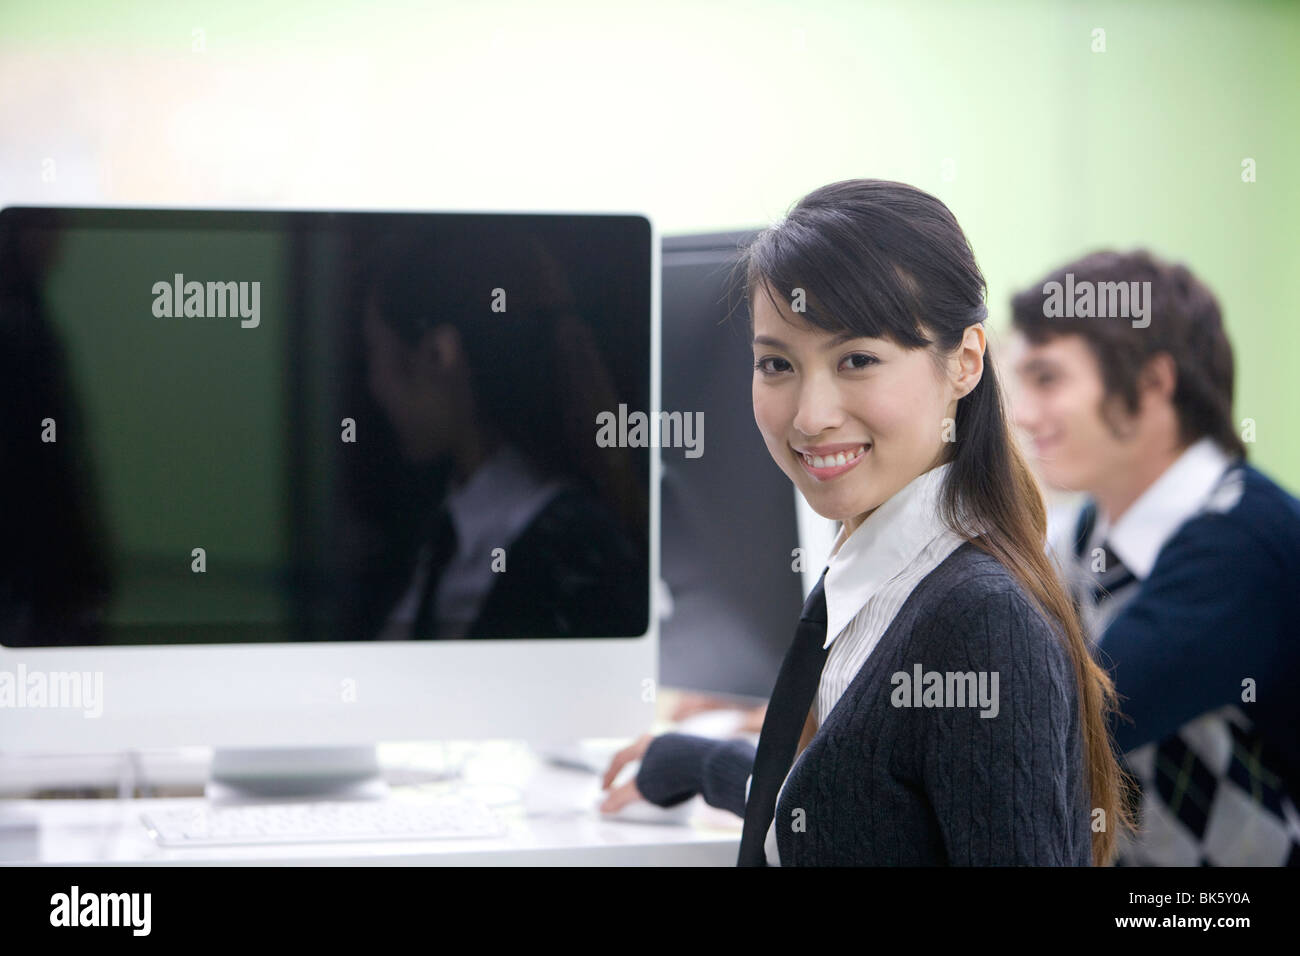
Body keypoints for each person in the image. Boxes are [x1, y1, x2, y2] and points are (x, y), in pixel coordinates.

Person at [601, 179, 1132, 866]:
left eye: (857, 360)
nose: (809, 415)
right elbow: (860, 809)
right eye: (777, 364)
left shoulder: (980, 620)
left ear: (965, 362)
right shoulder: (874, 571)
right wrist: (701, 764)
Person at [1009, 250, 1300, 866]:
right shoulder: (1089, 526)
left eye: (1048, 379)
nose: (1024, 414)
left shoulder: (1243, 541)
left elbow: (1069, 722)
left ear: (1153, 382)